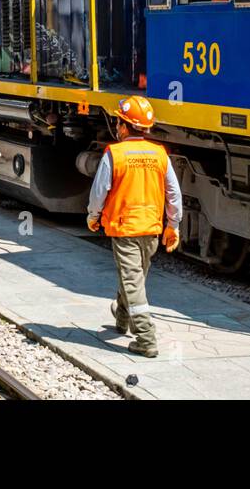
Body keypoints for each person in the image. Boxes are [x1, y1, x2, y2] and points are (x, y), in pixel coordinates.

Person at [86, 95, 182, 359]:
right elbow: (173, 194)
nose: (117, 126)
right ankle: (122, 318)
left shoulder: (114, 154)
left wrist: (93, 216)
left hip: (125, 228)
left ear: (125, 126)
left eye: (119, 122)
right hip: (151, 229)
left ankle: (145, 337)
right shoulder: (160, 154)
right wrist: (173, 225)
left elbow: (99, 192)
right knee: (134, 277)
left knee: (132, 279)